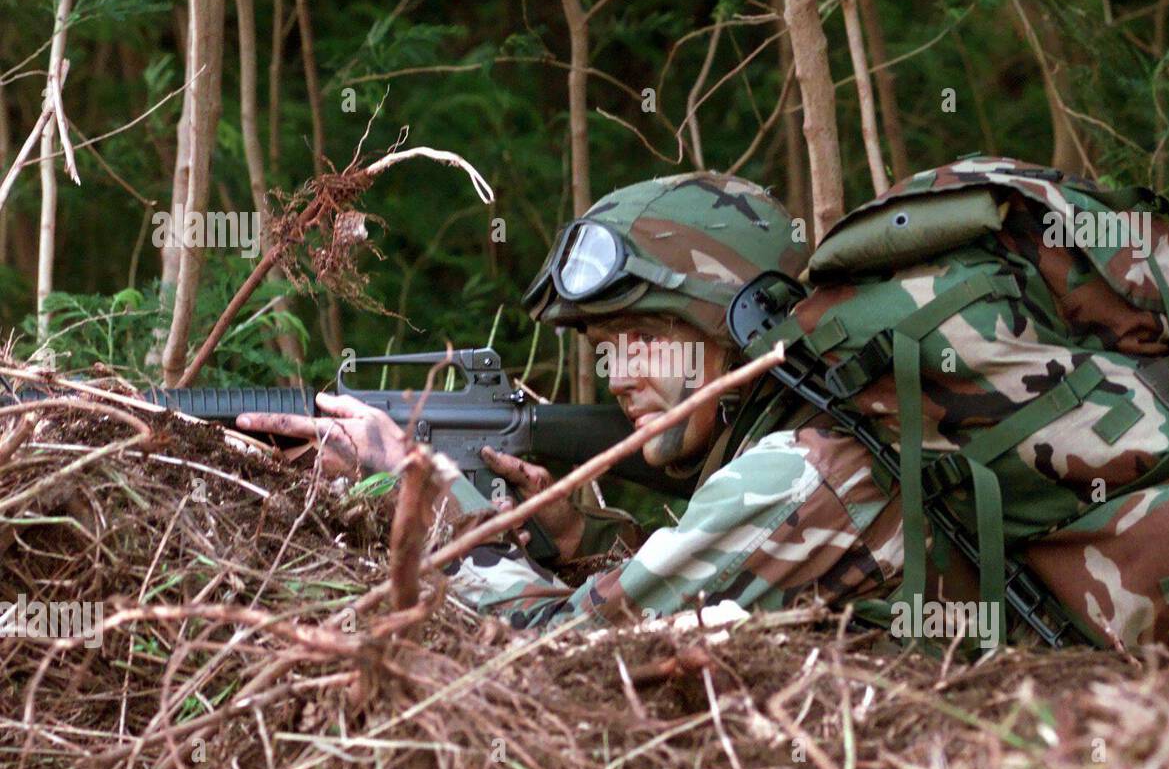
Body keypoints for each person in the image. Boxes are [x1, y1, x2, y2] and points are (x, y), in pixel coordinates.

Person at [236, 172, 964, 632]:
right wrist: (580, 546)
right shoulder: (829, 445)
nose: (618, 375)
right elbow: (681, 605)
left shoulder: (798, 475)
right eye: (607, 347)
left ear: (743, 330)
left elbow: (566, 653)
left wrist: (433, 510)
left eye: (645, 337)